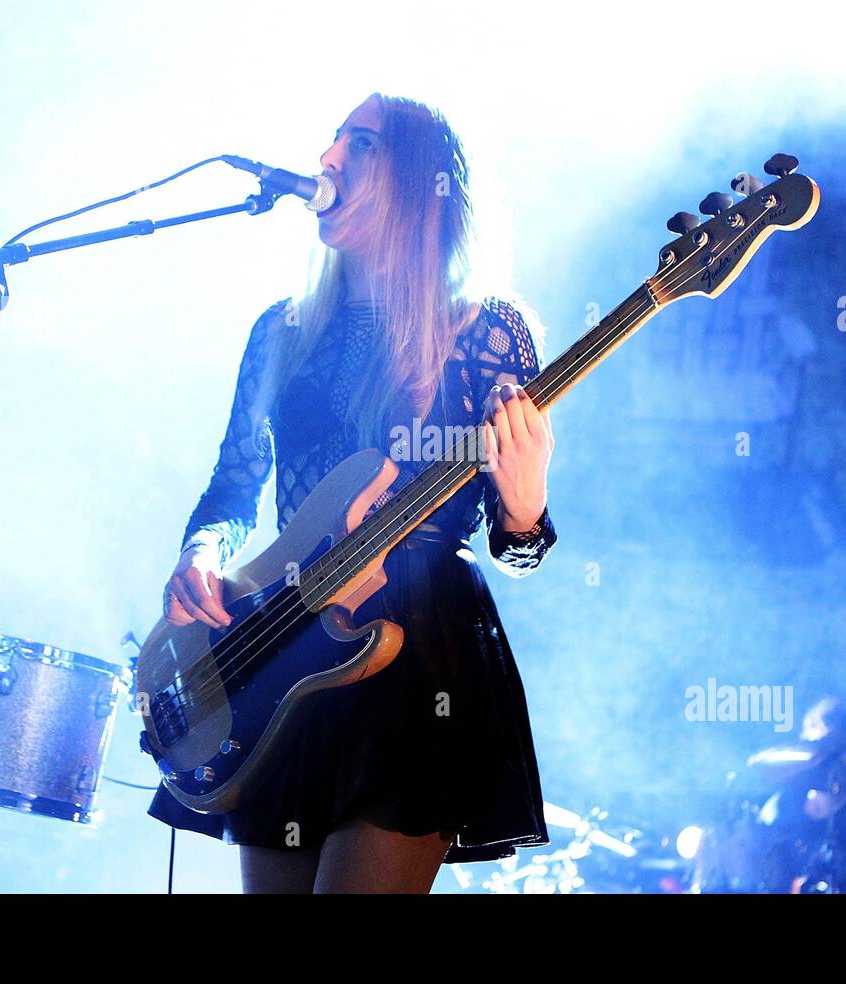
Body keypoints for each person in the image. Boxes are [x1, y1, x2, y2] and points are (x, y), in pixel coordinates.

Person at [148, 93, 558, 893]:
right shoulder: (281, 329)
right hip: (280, 652)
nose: (327, 157)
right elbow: (236, 484)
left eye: (358, 144)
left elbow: (522, 549)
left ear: (417, 181)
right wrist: (200, 554)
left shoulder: (485, 330)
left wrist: (525, 504)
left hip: (415, 657)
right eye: (332, 140)